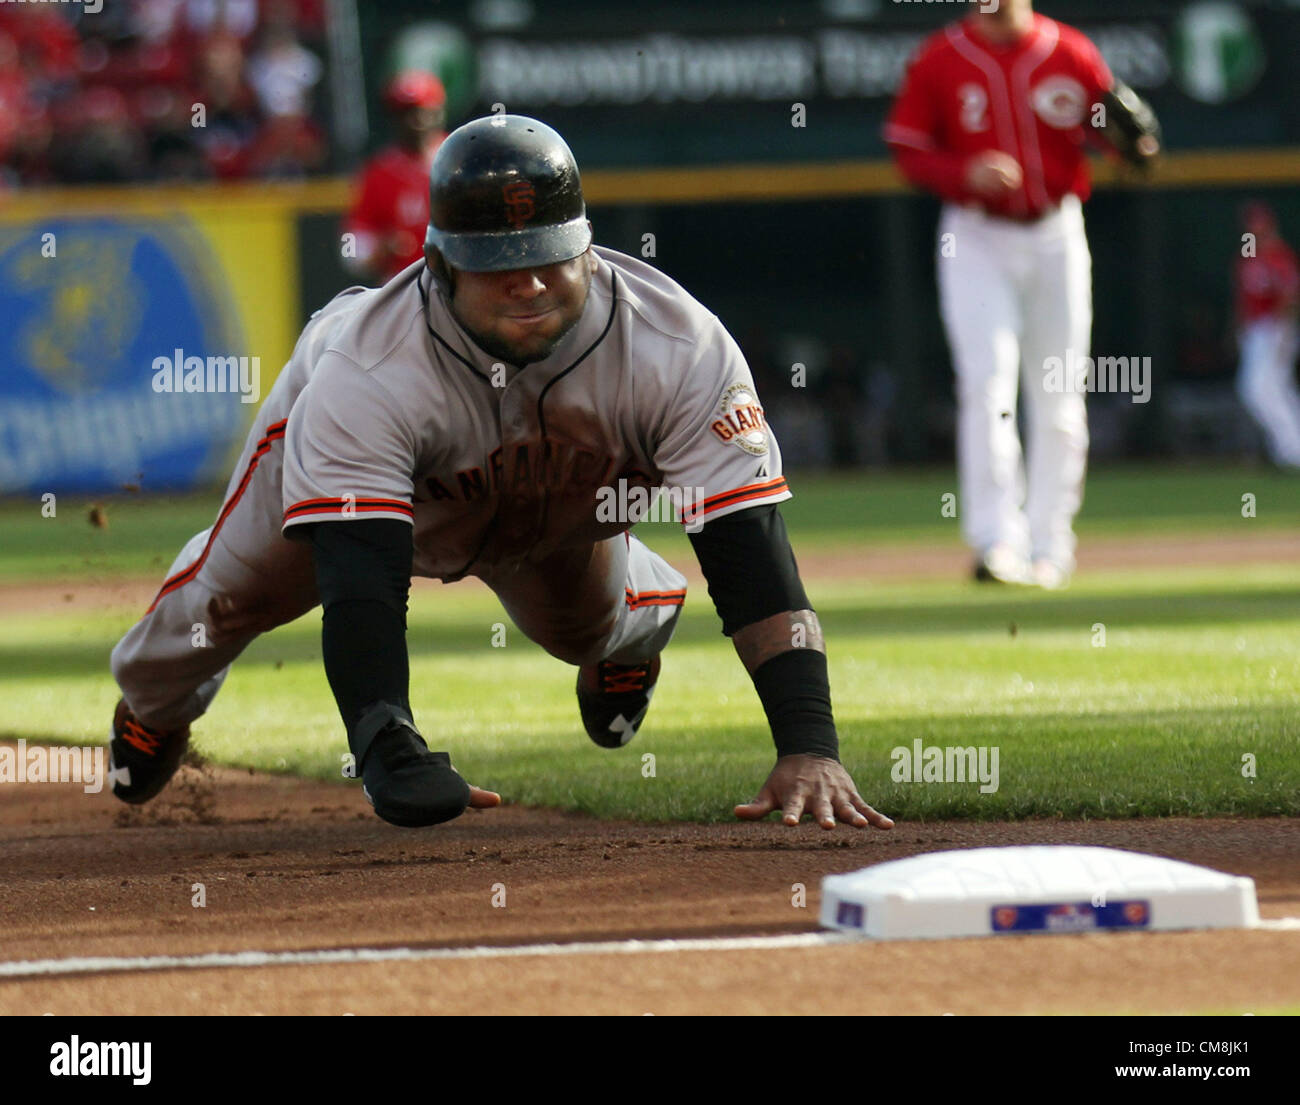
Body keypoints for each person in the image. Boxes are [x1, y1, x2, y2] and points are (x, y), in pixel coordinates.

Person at [107, 115, 895, 835]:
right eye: (496, 264)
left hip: (552, 497)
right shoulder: (366, 367)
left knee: (583, 629)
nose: (528, 282)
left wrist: (808, 744)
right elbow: (360, 582)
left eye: (550, 255)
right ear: (440, 267)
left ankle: (636, 613)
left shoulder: (677, 346)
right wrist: (389, 744)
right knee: (225, 600)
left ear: (586, 245)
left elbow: (748, 550)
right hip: (378, 490)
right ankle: (150, 708)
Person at [884, 0, 1158, 589]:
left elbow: (1117, 135)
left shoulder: (1071, 52)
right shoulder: (939, 58)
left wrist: (1133, 148)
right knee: (987, 386)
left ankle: (1050, 545)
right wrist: (963, 173)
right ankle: (995, 541)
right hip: (977, 236)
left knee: (1059, 392)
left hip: (1055, 231)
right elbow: (907, 147)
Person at [342, 70, 448, 285]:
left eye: (419, 111)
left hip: (457, 286)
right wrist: (379, 249)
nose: (412, 121)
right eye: (402, 113)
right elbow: (350, 244)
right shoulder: (378, 171)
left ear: (438, 112)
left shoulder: (460, 158)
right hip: (403, 290)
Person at [1234, 202, 1300, 469]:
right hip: (1254, 332)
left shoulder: (1280, 256)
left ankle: (1291, 449)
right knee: (1276, 391)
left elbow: (1290, 296)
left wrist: (1284, 332)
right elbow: (1242, 299)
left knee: (1257, 390)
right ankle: (1289, 448)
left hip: (1275, 328)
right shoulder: (1248, 257)